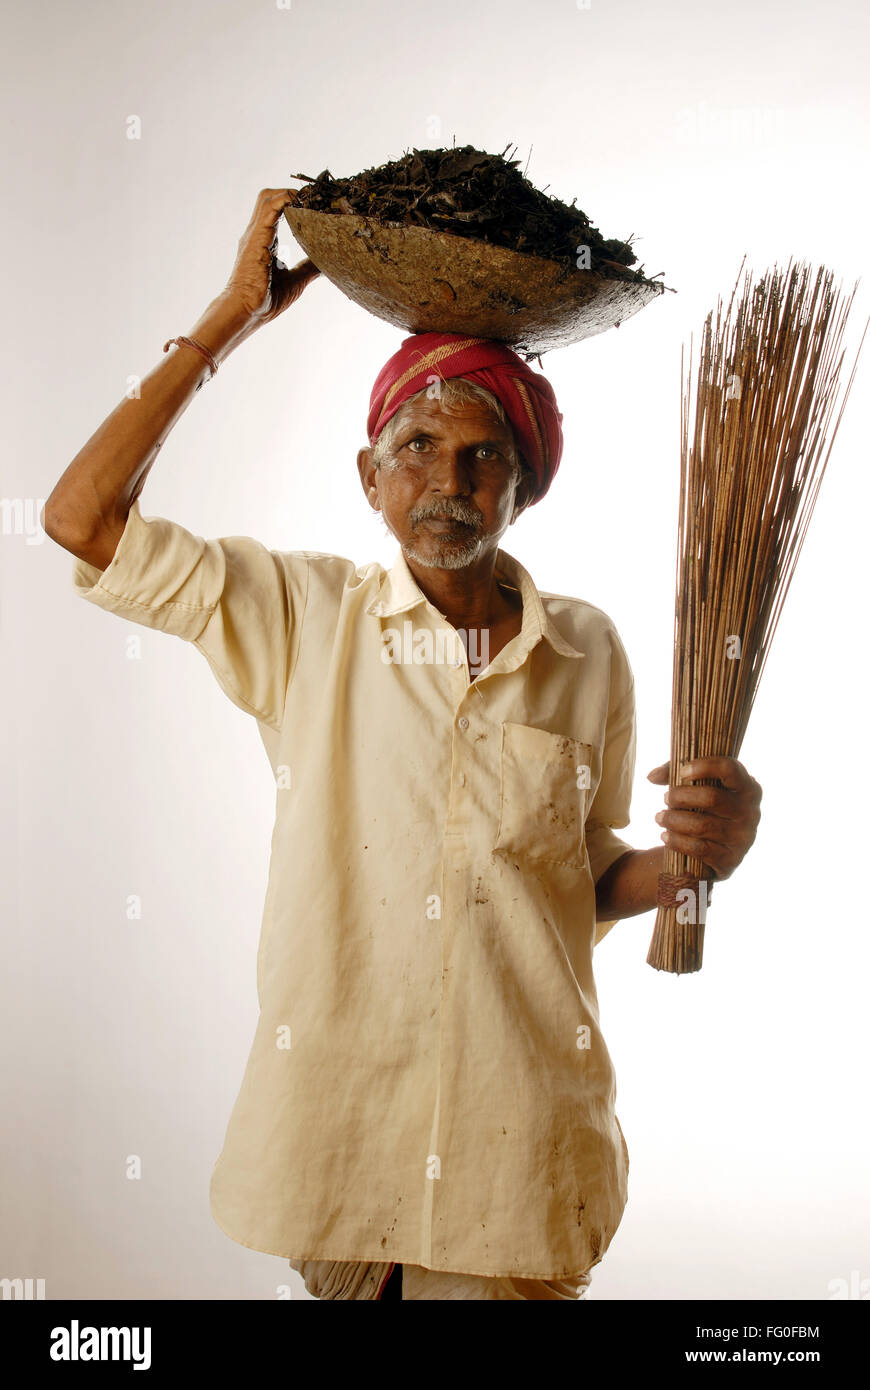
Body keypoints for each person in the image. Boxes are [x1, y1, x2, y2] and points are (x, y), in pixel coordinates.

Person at [42, 188, 763, 1301]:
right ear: (369, 478)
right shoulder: (300, 619)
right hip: (339, 1173)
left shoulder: (590, 652)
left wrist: (699, 858)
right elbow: (81, 518)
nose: (449, 481)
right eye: (417, 446)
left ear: (523, 489)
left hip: (517, 1177)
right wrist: (229, 321)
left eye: (484, 457)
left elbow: (586, 880)